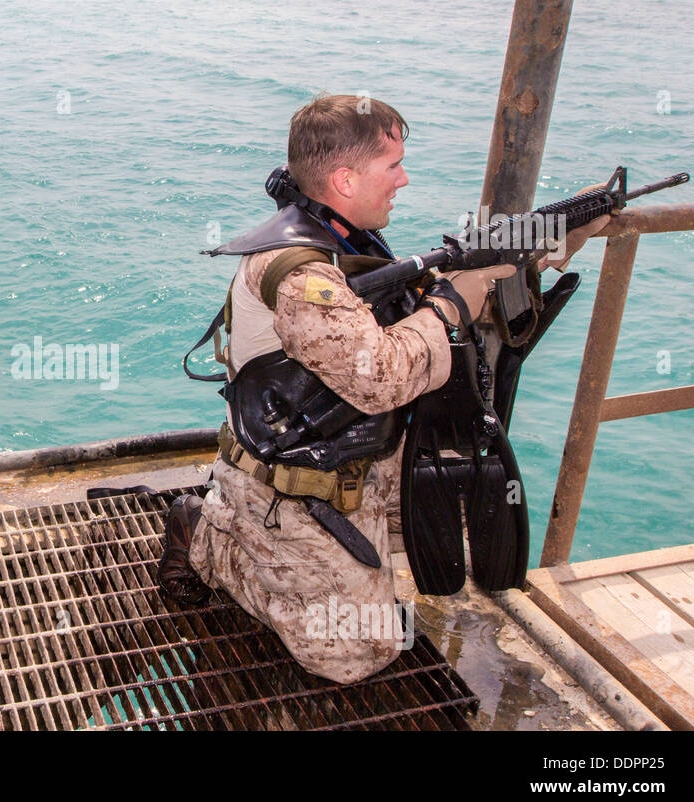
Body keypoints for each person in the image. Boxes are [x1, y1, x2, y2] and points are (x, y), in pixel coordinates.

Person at [158, 94, 607, 683]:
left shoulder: (349, 238)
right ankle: (208, 535)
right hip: (290, 482)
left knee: (460, 519)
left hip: (353, 455)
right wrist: (450, 306)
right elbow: (379, 377)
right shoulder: (300, 274)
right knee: (357, 653)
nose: (404, 178)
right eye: (391, 166)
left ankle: (320, 558)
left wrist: (560, 236)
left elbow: (419, 294)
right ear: (344, 179)